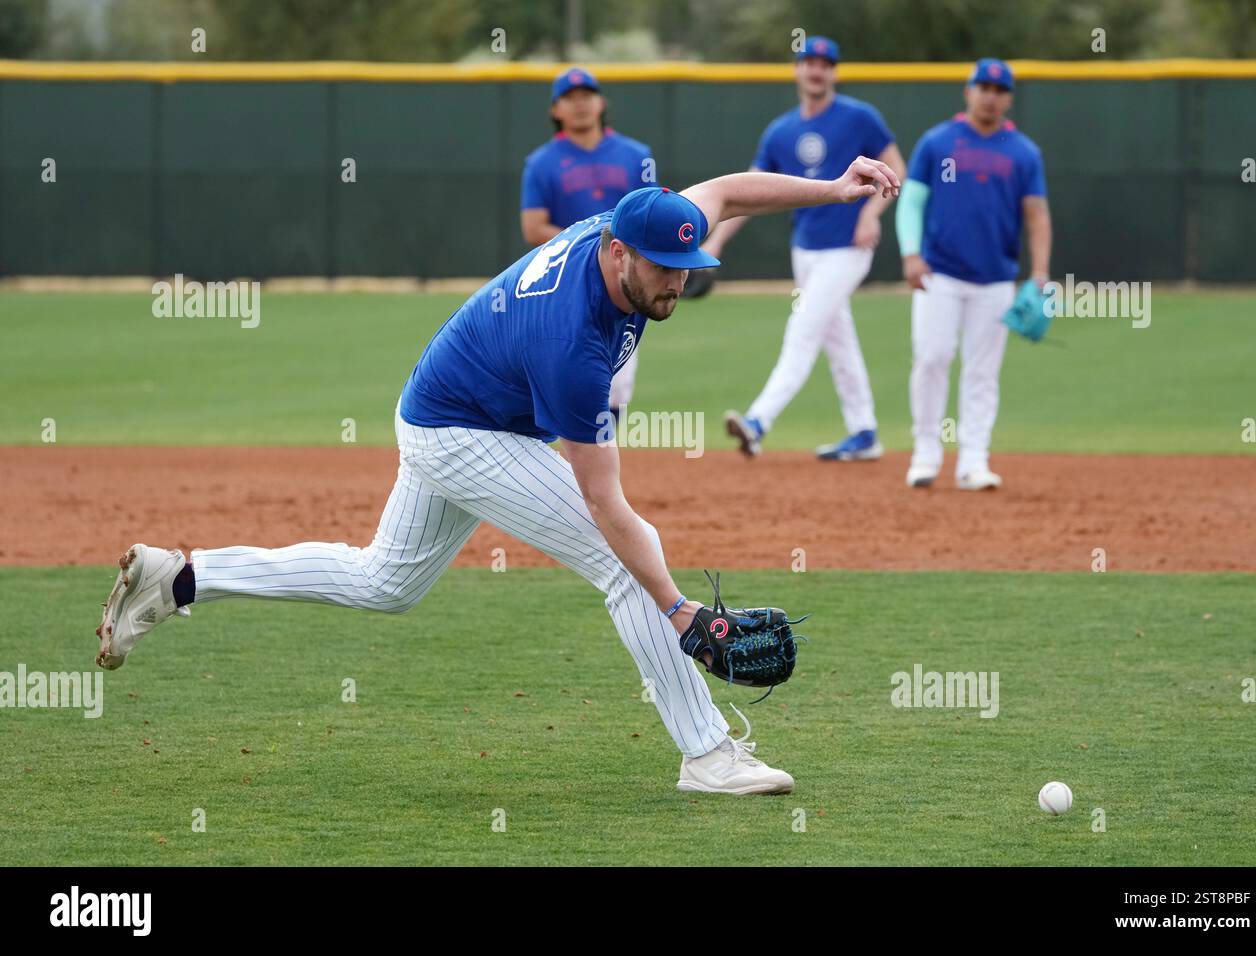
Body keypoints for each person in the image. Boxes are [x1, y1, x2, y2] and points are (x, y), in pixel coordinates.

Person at [96, 156, 901, 796]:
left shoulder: (632, 231)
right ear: (620, 252)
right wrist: (680, 611)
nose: (678, 281)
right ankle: (708, 756)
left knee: (386, 583)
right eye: (664, 268)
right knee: (629, 563)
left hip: (445, 409)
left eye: (686, 264)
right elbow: (606, 504)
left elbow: (725, 192)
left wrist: (831, 190)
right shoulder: (576, 347)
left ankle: (182, 579)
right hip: (457, 431)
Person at [701, 36, 906, 461]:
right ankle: (864, 431)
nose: (816, 70)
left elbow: (896, 165)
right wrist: (716, 239)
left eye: (825, 64)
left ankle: (758, 420)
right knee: (838, 338)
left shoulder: (859, 117)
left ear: (834, 72)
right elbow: (747, 194)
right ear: (796, 70)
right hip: (806, 249)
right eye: (808, 62)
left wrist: (871, 215)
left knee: (804, 328)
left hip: (848, 248)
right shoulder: (781, 131)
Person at [895, 58, 1052, 490]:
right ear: (967, 91)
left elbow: (1037, 216)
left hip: (996, 278)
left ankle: (973, 460)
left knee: (982, 372)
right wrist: (911, 253)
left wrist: (1039, 274)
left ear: (1009, 98)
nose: (990, 95)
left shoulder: (1023, 151)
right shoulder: (937, 142)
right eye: (983, 86)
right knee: (931, 359)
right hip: (939, 273)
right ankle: (926, 454)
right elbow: (911, 202)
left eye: (999, 89)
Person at [521, 67, 656, 420]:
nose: (580, 105)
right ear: (556, 110)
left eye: (586, 96)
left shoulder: (637, 154)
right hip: (565, 279)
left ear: (601, 103)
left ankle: (595, 466)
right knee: (565, 371)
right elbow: (533, 228)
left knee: (618, 381)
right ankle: (562, 464)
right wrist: (593, 247)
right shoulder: (540, 163)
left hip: (624, 280)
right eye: (569, 98)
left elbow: (648, 216)